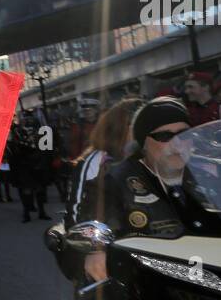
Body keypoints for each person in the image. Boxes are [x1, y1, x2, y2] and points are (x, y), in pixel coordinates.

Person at [81, 97, 196, 283]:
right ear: (143, 143)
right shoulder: (113, 182)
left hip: (212, 271)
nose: (177, 144)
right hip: (151, 279)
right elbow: (95, 220)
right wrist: (96, 250)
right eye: (164, 136)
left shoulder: (213, 174)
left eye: (184, 134)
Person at [67, 97, 143, 230]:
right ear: (120, 129)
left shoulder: (147, 154)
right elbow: (76, 213)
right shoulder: (94, 161)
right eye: (139, 126)